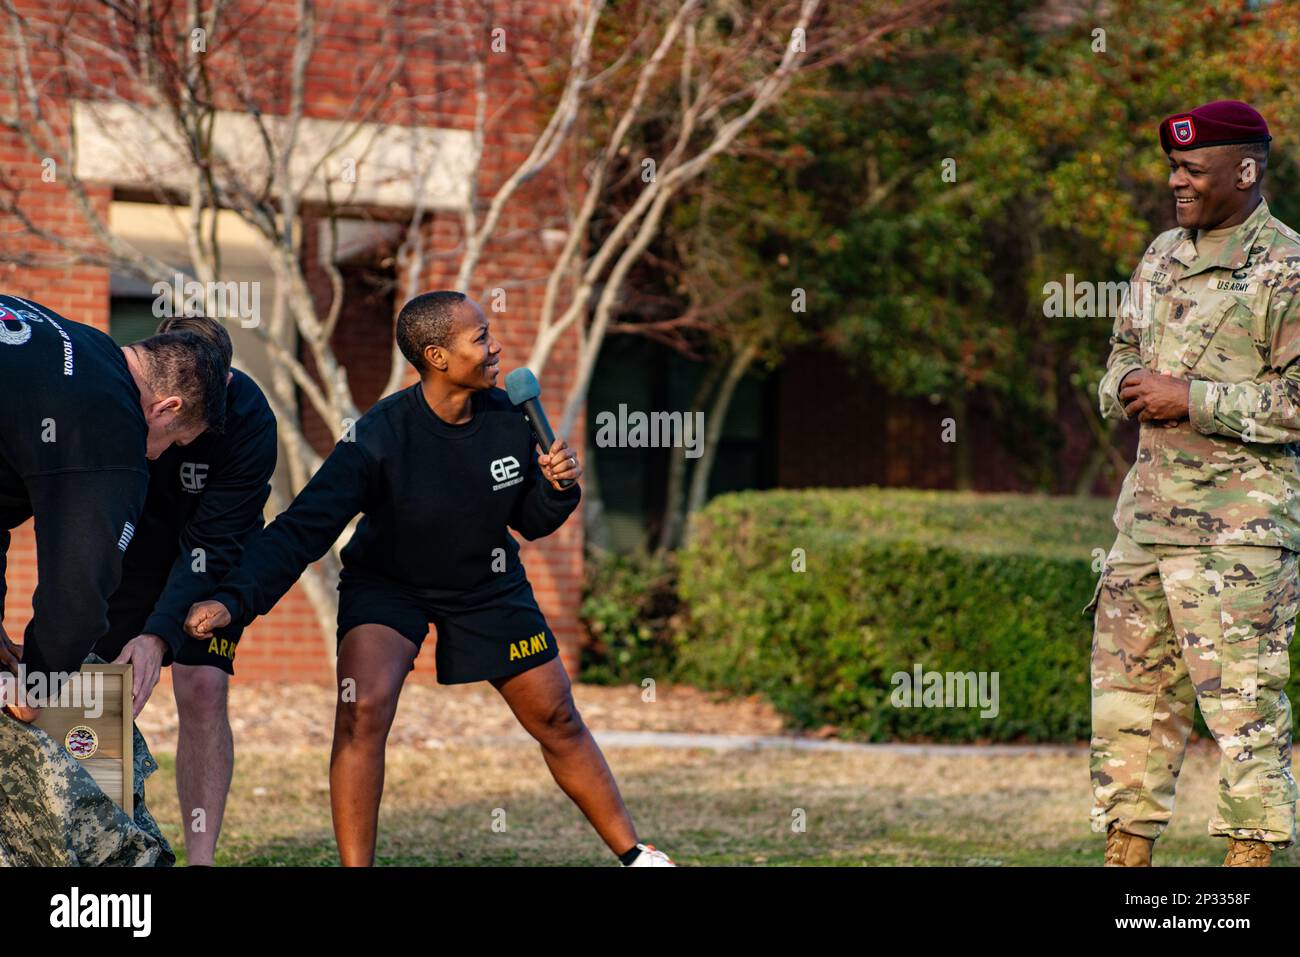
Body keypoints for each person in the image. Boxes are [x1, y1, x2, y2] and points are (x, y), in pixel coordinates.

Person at [185, 291, 675, 867]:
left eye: (489, 333)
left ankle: (636, 855)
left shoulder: (509, 417)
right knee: (362, 709)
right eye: (480, 337)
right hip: (389, 585)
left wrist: (557, 488)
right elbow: (302, 529)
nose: (495, 347)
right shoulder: (378, 437)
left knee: (556, 714)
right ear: (437, 356)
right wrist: (232, 601)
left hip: (486, 583)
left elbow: (530, 521)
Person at [1091, 100, 1300, 867]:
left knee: (1245, 710)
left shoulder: (1289, 267)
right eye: (1173, 168)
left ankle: (1250, 865)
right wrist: (1125, 384)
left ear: (1246, 171)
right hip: (1145, 521)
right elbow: (1119, 354)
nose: (1176, 181)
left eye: (1193, 170)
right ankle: (1126, 854)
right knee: (1130, 706)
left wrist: (1195, 398)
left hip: (1239, 535)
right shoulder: (1160, 255)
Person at [93, 315, 277, 866]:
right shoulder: (122, 397)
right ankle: (101, 846)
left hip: (215, 558)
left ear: (224, 380)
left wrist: (161, 633)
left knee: (201, 689)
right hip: (131, 552)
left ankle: (201, 859)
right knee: (102, 688)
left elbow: (213, 540)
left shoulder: (249, 417)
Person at [0, 294, 226, 722]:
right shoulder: (111, 428)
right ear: (167, 407)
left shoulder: (61, 331)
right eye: (173, 440)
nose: (158, 457)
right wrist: (38, 686)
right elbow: (79, 587)